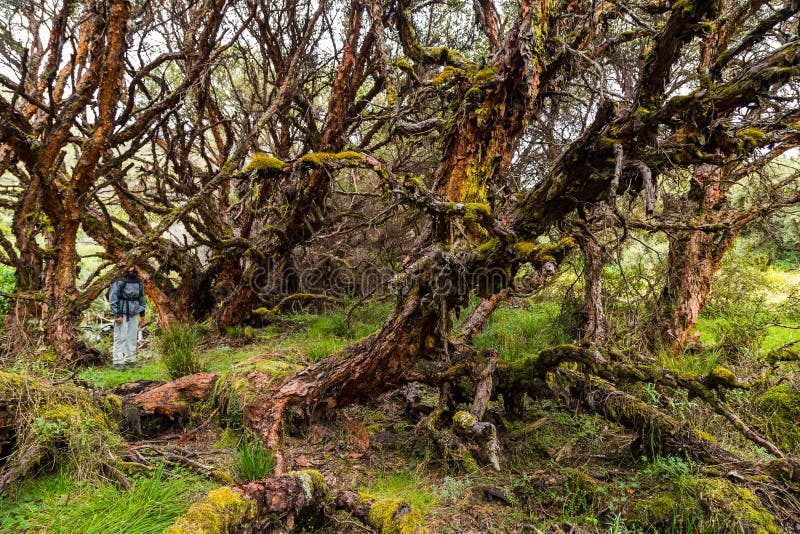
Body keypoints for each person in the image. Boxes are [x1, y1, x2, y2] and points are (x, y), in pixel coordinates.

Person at [108, 269, 146, 370]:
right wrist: (117, 314)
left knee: (132, 337)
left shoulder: (138, 282)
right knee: (120, 337)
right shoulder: (120, 281)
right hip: (122, 314)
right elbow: (113, 298)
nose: (132, 271)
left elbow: (142, 298)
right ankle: (117, 362)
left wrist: (142, 314)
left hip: (134, 313)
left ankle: (129, 359)